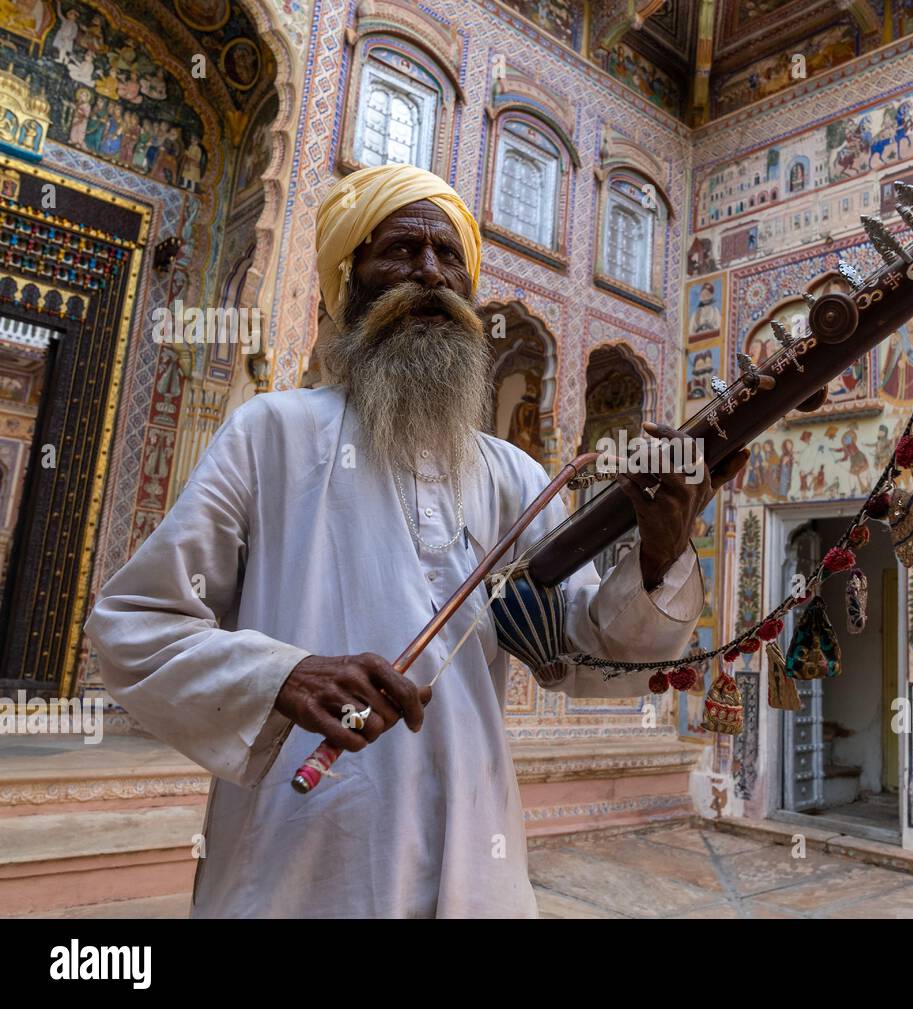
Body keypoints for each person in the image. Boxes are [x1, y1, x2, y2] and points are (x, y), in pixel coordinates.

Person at [85, 165, 747, 918]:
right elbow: (134, 627)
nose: (430, 273)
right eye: (401, 251)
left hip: (476, 860)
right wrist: (284, 676)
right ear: (351, 280)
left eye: (448, 256)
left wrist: (659, 555)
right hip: (298, 864)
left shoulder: (513, 474)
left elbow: (581, 651)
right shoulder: (272, 435)